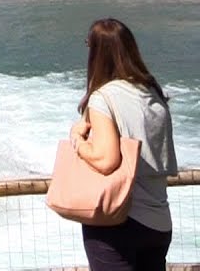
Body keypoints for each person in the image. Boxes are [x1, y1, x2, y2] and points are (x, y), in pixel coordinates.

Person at [69, 18, 177, 270]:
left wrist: (77, 140)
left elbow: (107, 160)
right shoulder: (153, 93)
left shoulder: (102, 98)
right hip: (159, 221)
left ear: (97, 52)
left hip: (119, 219)